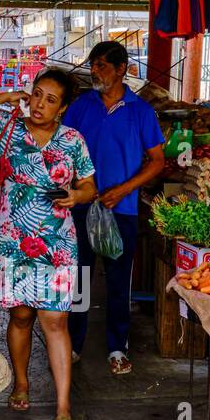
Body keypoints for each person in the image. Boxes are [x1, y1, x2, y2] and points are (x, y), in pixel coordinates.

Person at [0, 69, 97, 420]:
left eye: (50, 100)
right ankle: (21, 383)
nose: (39, 104)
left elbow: (90, 187)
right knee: (19, 317)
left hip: (59, 242)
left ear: (63, 108)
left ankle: (64, 404)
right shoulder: (9, 129)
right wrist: (6, 98)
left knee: (56, 321)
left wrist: (77, 196)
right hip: (9, 240)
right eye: (36, 94)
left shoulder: (73, 141)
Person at [62, 40, 164, 376]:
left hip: (122, 210)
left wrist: (123, 189)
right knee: (80, 279)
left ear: (122, 69)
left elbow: (157, 162)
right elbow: (63, 150)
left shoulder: (140, 111)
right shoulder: (80, 106)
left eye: (102, 65)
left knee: (120, 283)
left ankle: (118, 346)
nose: (95, 70)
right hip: (81, 206)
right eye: (93, 64)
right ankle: (73, 345)